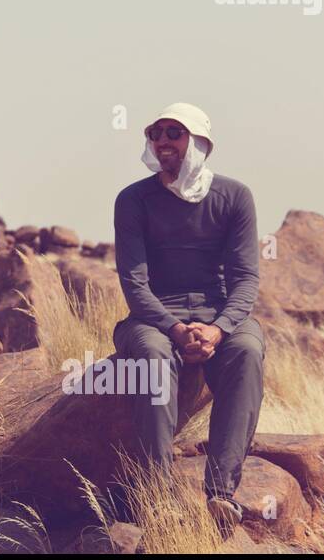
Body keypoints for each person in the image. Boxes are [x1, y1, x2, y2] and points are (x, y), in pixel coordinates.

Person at [110, 102, 264, 538]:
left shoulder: (235, 197)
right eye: (156, 133)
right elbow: (134, 283)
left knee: (248, 351)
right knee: (154, 359)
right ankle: (156, 498)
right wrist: (176, 330)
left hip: (219, 314)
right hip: (153, 317)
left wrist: (218, 329)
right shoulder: (133, 200)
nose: (162, 141)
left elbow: (246, 278)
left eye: (174, 132)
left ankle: (221, 494)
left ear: (199, 142)